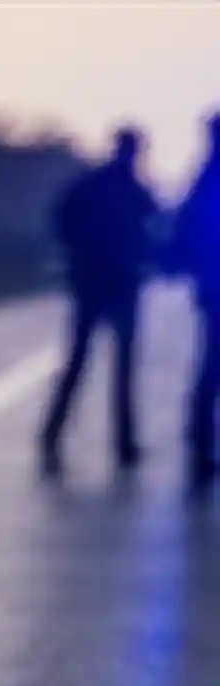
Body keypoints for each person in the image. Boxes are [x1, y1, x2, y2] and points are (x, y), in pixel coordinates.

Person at [40, 126, 159, 477]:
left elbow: (60, 220)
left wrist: (76, 255)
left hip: (95, 284)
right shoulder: (132, 190)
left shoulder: (91, 185)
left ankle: (54, 435)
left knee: (81, 365)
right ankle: (122, 443)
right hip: (116, 286)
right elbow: (153, 228)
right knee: (117, 369)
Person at [168, 114, 220, 491]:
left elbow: (185, 231)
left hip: (210, 287)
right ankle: (199, 445)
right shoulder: (207, 178)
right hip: (214, 287)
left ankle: (198, 444)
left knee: (210, 369)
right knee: (211, 369)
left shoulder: (204, 176)